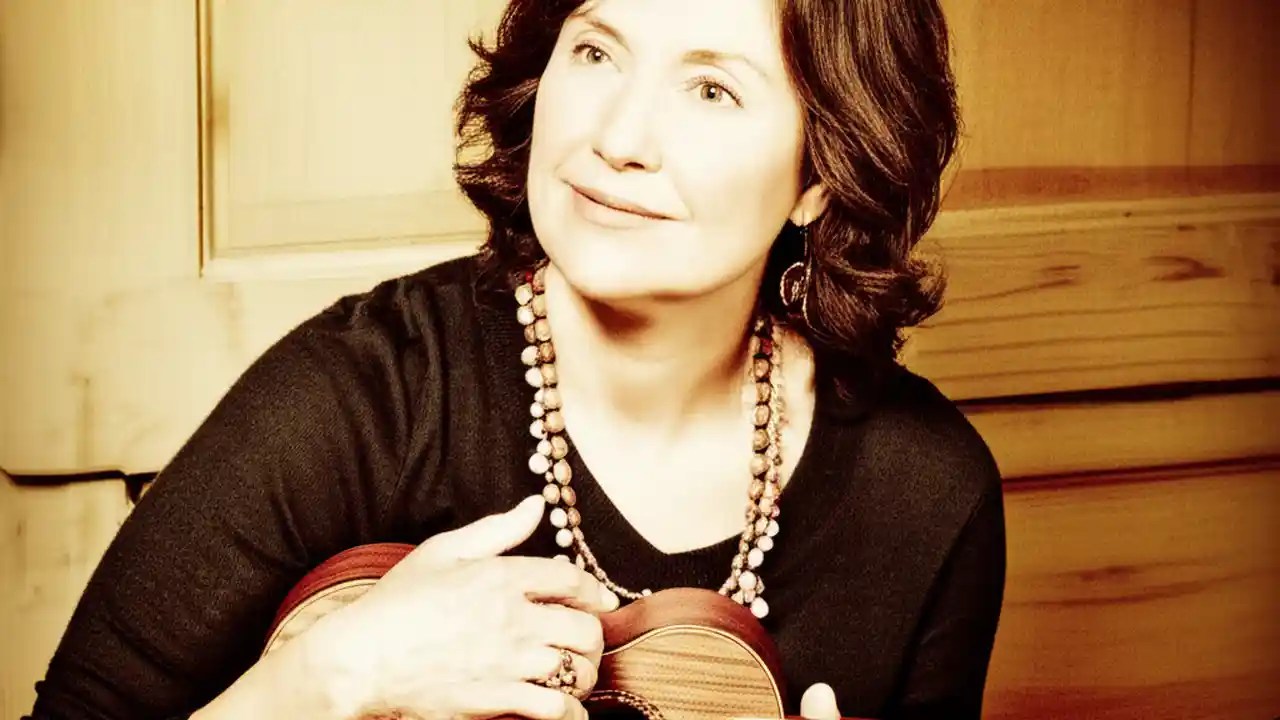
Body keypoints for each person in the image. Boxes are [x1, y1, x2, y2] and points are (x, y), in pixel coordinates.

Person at [27, 0, 1006, 717]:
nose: (617, 136)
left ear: (822, 177)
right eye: (594, 50)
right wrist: (323, 686)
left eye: (711, 88)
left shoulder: (927, 493)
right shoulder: (357, 396)